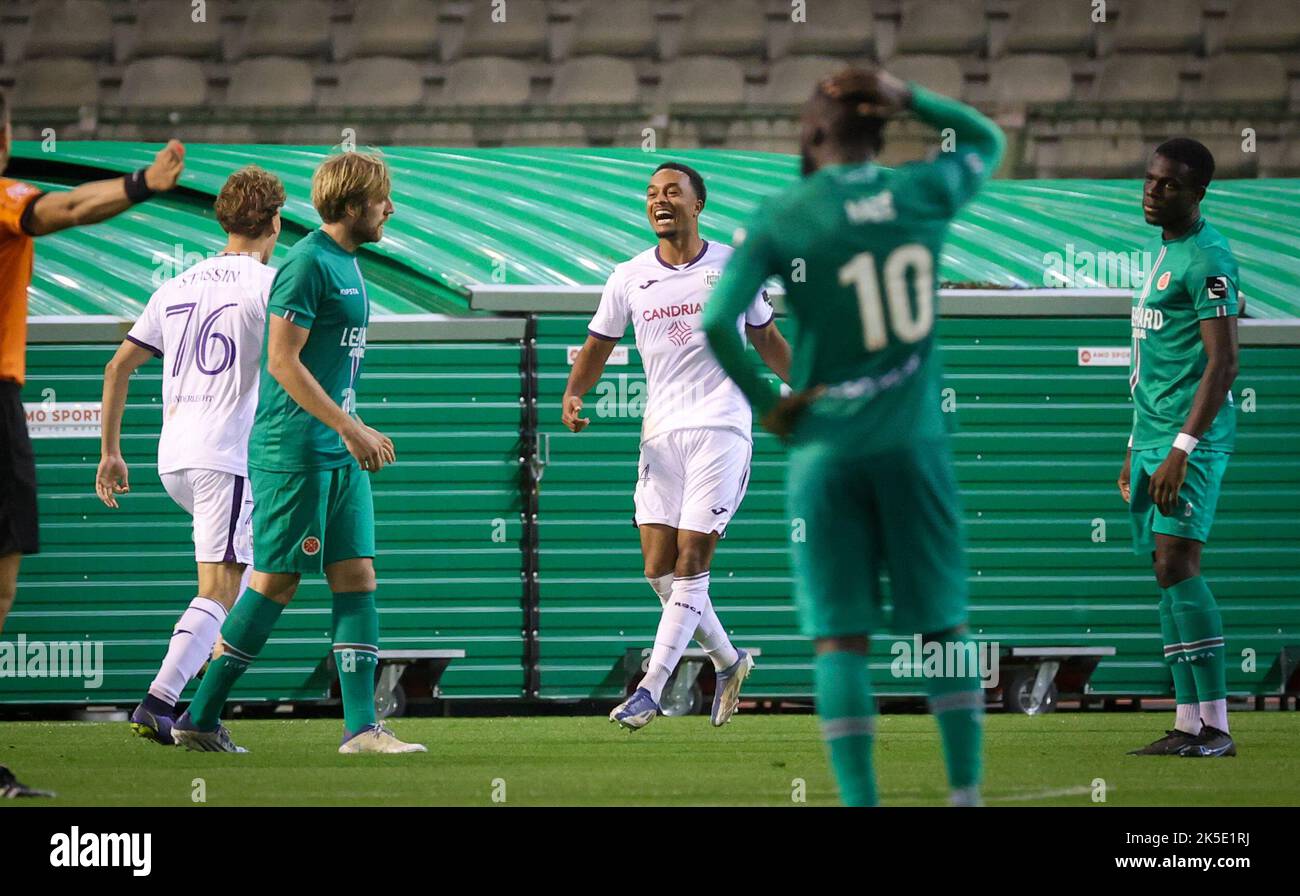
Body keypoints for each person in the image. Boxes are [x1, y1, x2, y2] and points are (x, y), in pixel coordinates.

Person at [704, 67, 1004, 805]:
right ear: (882, 131)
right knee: (944, 627)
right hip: (913, 445)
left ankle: (860, 802)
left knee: (841, 639)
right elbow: (988, 139)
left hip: (826, 451)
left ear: (811, 136)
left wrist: (769, 407)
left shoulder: (784, 215)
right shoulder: (920, 192)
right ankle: (964, 795)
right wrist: (912, 95)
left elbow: (718, 323)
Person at [563, 162, 791, 730]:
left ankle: (651, 689)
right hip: (661, 432)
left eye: (672, 193)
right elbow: (598, 342)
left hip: (724, 425)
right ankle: (729, 661)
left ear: (698, 204)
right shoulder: (628, 276)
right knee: (658, 569)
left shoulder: (734, 268)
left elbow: (765, 337)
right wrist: (572, 393)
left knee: (693, 559)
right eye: (651, 194)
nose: (659, 201)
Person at [96, 165, 285, 745]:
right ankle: (160, 703)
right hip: (225, 454)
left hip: (174, 454)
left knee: (251, 576)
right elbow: (288, 365)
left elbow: (117, 366)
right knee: (222, 586)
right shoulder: (269, 285)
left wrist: (110, 453)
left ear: (223, 219)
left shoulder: (175, 285)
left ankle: (198, 706)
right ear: (275, 222)